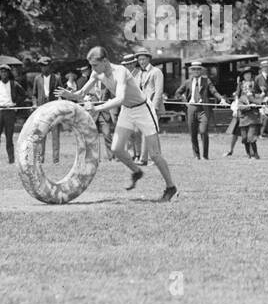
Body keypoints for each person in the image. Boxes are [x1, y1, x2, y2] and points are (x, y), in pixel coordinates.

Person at [57, 45, 177, 201]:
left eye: (95, 65)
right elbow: (81, 94)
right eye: (92, 65)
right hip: (127, 110)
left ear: (105, 61)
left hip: (143, 110)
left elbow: (119, 98)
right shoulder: (97, 73)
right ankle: (137, 171)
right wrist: (69, 94)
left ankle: (171, 187)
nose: (92, 69)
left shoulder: (120, 72)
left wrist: (97, 108)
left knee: (154, 154)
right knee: (116, 149)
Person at [175, 59, 227, 160]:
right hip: (191, 108)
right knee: (193, 133)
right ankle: (196, 155)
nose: (196, 71)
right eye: (194, 70)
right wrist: (184, 100)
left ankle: (205, 155)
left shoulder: (206, 80)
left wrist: (221, 99)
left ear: (201, 71)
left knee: (203, 131)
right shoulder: (187, 82)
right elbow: (177, 93)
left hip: (203, 109)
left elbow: (214, 91)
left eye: (198, 70)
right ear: (191, 71)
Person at [135, 50, 165, 165]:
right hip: (142, 107)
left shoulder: (156, 72)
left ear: (148, 59)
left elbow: (159, 91)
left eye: (143, 59)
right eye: (139, 59)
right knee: (146, 132)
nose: (141, 62)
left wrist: (155, 107)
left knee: (151, 133)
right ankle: (144, 159)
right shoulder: (139, 73)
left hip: (152, 107)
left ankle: (154, 159)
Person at [31, 57, 61, 164]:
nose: (43, 68)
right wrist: (34, 104)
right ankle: (40, 159)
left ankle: (56, 161)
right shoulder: (37, 78)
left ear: (49, 66)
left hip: (54, 110)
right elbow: (34, 95)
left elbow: (60, 93)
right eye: (41, 66)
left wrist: (59, 104)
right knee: (41, 135)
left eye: (45, 65)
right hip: (41, 110)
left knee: (55, 136)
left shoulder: (56, 78)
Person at [234, 67, 266, 158]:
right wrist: (236, 107)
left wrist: (258, 101)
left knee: (251, 136)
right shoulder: (240, 84)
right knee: (244, 137)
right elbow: (237, 96)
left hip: (253, 114)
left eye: (249, 74)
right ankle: (248, 154)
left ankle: (255, 154)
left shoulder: (254, 83)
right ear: (243, 76)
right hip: (243, 113)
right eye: (246, 74)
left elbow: (260, 95)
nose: (248, 75)